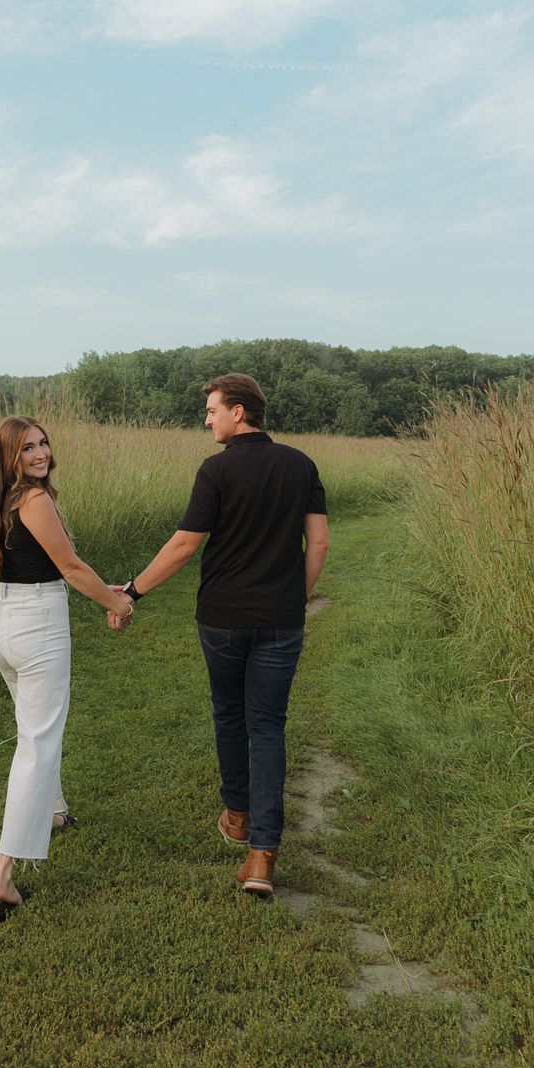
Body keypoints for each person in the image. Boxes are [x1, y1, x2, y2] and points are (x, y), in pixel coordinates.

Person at [113, 373, 328, 897]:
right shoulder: (301, 465)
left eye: (212, 410)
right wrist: (294, 597)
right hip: (280, 620)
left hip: (223, 619)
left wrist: (132, 592)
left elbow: (185, 546)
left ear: (238, 412)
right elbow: (318, 543)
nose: (207, 419)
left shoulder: (216, 469)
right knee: (268, 726)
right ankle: (262, 856)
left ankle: (237, 816)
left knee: (230, 715)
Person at [0, 416, 132, 921]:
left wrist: (107, 592)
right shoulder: (35, 500)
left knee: (34, 726)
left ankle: (55, 810)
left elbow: (52, 565)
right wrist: (117, 603)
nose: (40, 453)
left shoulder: (3, 498)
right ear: (10, 457)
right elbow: (72, 568)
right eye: (27, 448)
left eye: (43, 443)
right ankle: (4, 875)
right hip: (37, 623)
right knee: (37, 743)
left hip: (3, 620)